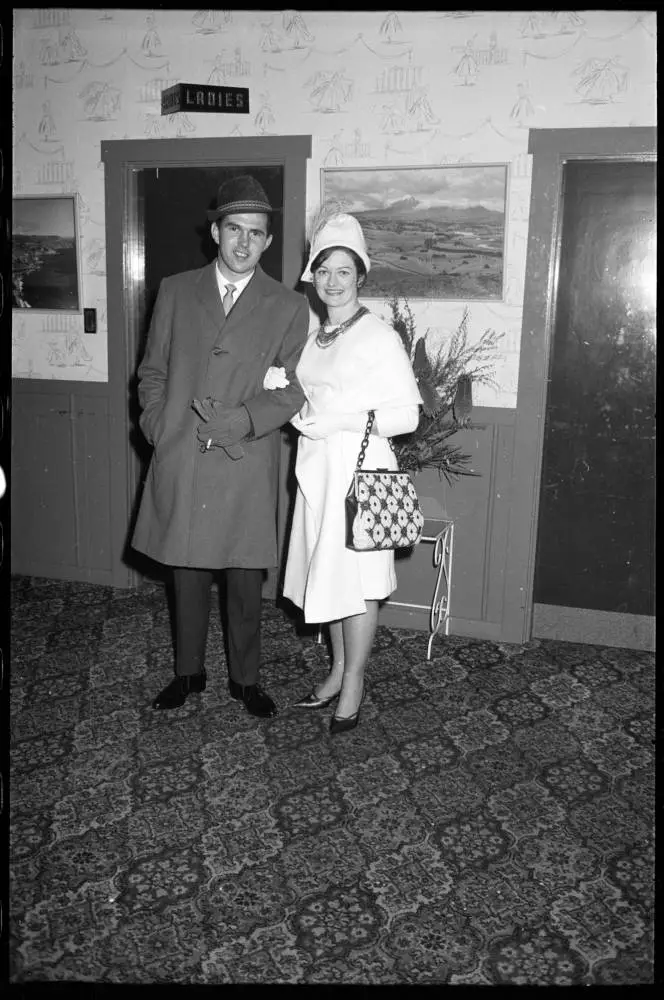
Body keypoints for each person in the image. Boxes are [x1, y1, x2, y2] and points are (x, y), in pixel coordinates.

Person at [132, 174, 310, 716]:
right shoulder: (176, 289)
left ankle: (246, 679)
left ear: (268, 241)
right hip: (183, 455)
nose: (243, 242)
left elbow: (295, 387)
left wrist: (244, 421)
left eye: (255, 233)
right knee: (185, 575)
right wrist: (161, 427)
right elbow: (152, 373)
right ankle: (188, 673)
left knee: (242, 580)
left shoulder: (288, 306)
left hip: (244, 460)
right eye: (234, 229)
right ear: (215, 231)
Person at [282, 214, 422, 734]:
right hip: (317, 472)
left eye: (344, 270)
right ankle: (338, 668)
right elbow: (310, 394)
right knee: (330, 576)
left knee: (359, 583)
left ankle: (356, 680)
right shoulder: (315, 334)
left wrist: (339, 420)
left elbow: (406, 415)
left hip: (359, 473)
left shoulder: (378, 335)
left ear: (360, 275)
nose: (333, 281)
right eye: (324, 270)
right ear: (312, 276)